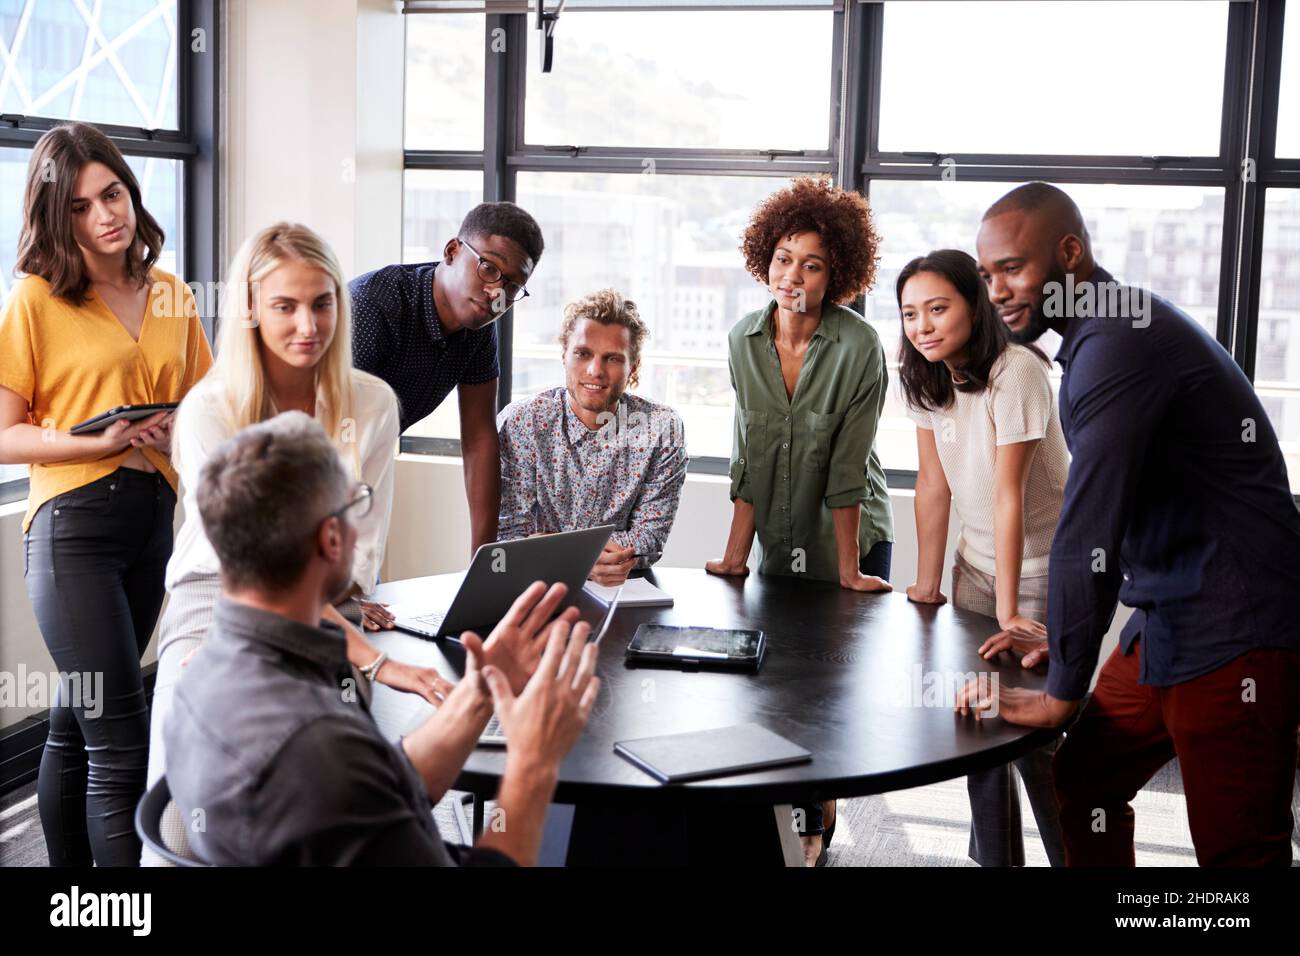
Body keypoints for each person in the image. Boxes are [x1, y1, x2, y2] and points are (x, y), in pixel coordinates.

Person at [958, 181, 1300, 867]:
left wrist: (1061, 696)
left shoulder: (1119, 345)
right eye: (987, 274)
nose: (996, 290)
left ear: (1070, 253)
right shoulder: (1105, 333)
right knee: (1084, 780)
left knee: (1239, 853)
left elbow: (1090, 534)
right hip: (1168, 616)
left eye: (1013, 268)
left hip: (1239, 625)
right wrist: (1069, 645)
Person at [165, 412, 600, 865]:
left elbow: (377, 791)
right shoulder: (316, 747)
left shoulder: (205, 665)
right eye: (355, 506)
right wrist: (533, 764)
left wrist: (479, 694)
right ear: (332, 538)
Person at [144, 223, 447, 823]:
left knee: (327, 798)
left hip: (332, 599)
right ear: (252, 308)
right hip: (220, 601)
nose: (308, 326)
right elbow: (247, 570)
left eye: (321, 303)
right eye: (285, 306)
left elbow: (360, 549)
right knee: (186, 814)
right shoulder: (209, 409)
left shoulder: (375, 404)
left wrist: (352, 633)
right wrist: (375, 661)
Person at [0, 123, 212, 866]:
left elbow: (207, 407)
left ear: (129, 188)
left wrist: (169, 430)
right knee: (122, 747)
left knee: (72, 723)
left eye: (112, 193)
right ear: (60, 219)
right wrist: (95, 441)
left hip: (155, 524)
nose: (104, 216)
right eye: (82, 207)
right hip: (71, 534)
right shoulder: (34, 301)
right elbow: (4, 434)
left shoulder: (172, 292)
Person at [706, 176, 895, 866]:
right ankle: (783, 820)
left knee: (828, 695)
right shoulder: (742, 340)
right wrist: (734, 557)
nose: (794, 275)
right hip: (779, 539)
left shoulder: (859, 346)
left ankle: (816, 827)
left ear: (836, 273)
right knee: (772, 689)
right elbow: (748, 455)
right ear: (766, 259)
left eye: (812, 264)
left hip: (851, 536)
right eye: (784, 258)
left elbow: (848, 468)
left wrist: (847, 572)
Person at [896, 249, 1068, 867]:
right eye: (911, 314)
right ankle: (996, 861)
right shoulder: (924, 373)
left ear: (975, 303)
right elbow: (933, 484)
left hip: (1040, 570)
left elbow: (1007, 491)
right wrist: (925, 584)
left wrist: (1005, 611)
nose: (923, 326)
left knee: (1033, 736)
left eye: (938, 308)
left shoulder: (1017, 370)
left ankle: (1073, 858)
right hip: (974, 566)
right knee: (975, 722)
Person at [349, 202, 544, 552]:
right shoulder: (374, 305)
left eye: (512, 287)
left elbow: (479, 437)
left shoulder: (479, 329)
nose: (496, 294)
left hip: (360, 477)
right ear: (453, 251)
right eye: (488, 268)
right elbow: (330, 438)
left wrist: (484, 564)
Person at [498, 288, 687, 586]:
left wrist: (553, 548)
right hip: (532, 588)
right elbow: (508, 537)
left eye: (612, 359)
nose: (595, 370)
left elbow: (650, 538)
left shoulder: (661, 429)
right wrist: (582, 560)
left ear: (633, 368)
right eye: (583, 353)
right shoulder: (522, 422)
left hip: (619, 593)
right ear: (564, 355)